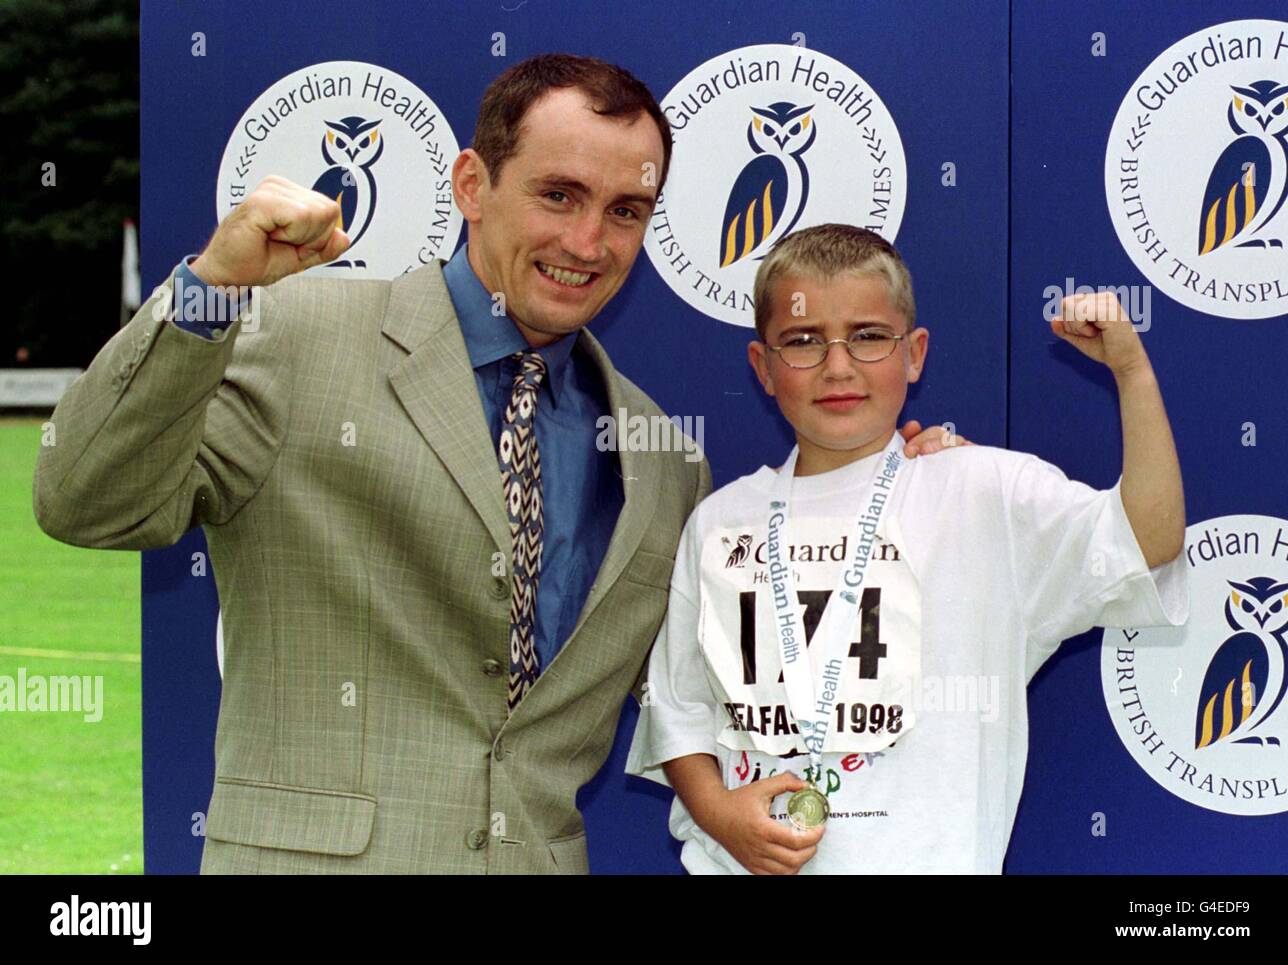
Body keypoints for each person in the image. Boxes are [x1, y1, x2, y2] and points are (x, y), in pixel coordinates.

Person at [30, 54, 965, 873]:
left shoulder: (661, 462)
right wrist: (208, 291)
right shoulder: (293, 335)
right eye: (558, 194)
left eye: (626, 210)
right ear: (472, 182)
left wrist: (902, 485)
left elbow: (733, 669)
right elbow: (86, 501)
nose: (587, 243)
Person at [626, 223, 1189, 874]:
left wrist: (1132, 370)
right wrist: (721, 814)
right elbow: (681, 708)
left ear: (914, 353)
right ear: (763, 367)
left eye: (868, 337)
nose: (838, 366)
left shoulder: (985, 493)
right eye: (803, 341)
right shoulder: (721, 523)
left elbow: (1149, 537)